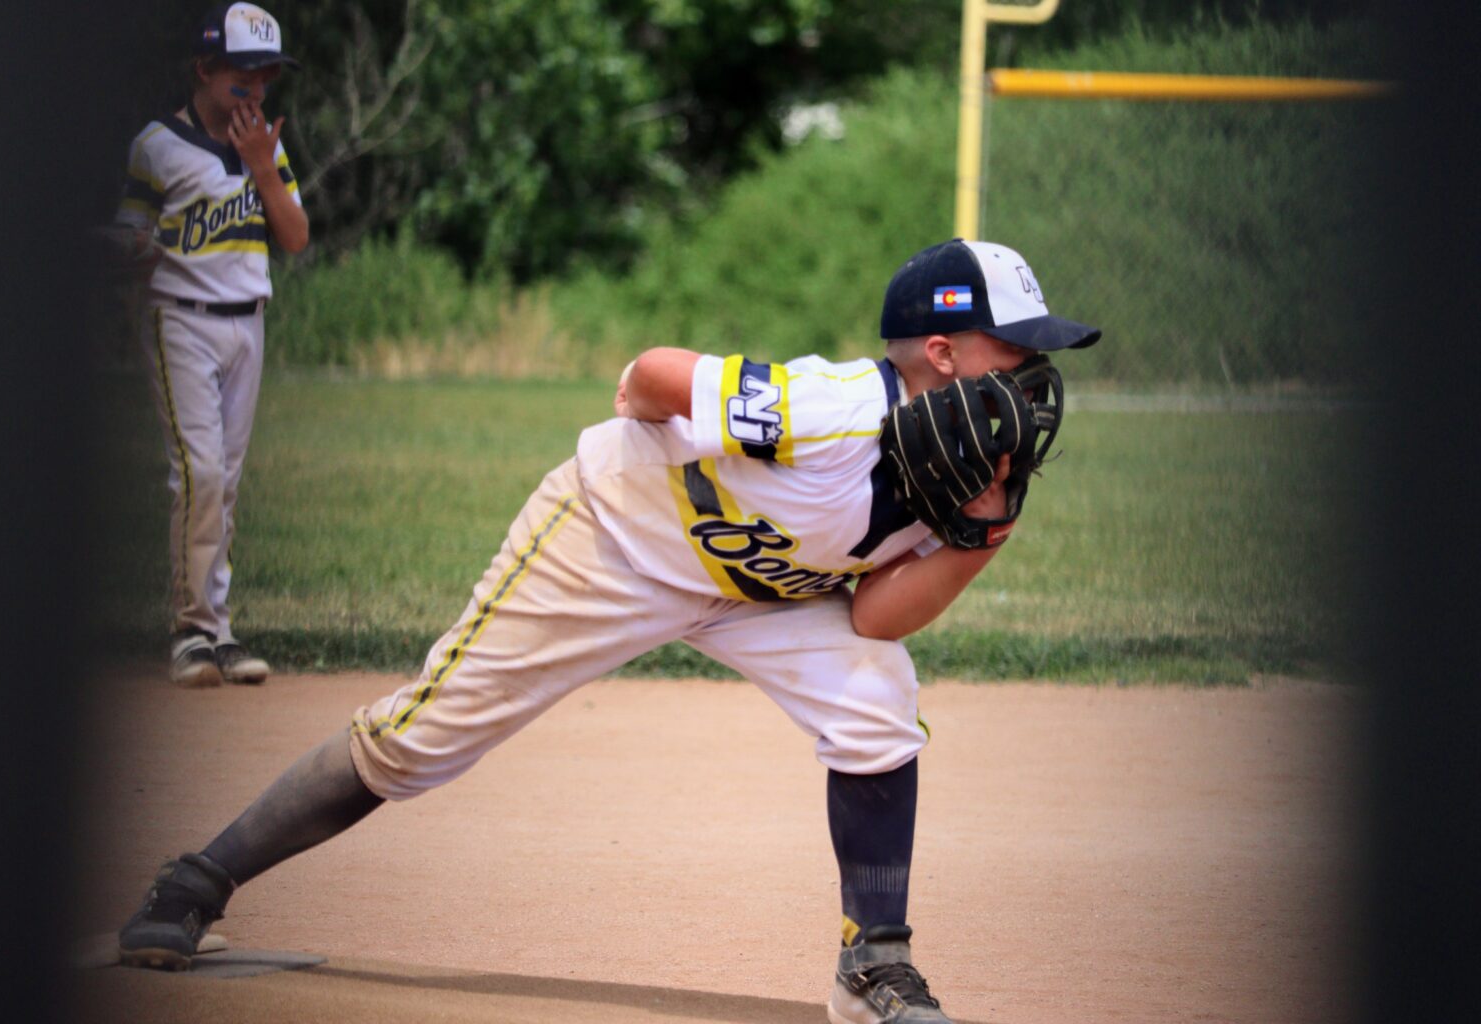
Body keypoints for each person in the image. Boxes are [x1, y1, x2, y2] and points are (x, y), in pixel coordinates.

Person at [115, 239, 1100, 1024]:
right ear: (942, 353)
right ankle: (197, 878)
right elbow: (664, 372)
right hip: (618, 539)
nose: (1034, 375)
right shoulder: (835, 412)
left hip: (759, 591)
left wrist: (979, 536)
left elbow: (880, 614)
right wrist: (634, 393)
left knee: (877, 696)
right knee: (418, 739)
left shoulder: (973, 480)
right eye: (1017, 352)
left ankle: (873, 964)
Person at [111, 3, 308, 687]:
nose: (254, 92)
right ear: (204, 68)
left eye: (265, 79)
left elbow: (294, 235)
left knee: (225, 481)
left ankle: (218, 632)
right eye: (241, 77)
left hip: (246, 321)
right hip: (180, 319)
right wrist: (129, 247)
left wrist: (260, 165)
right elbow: (129, 230)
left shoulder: (267, 145)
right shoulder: (158, 145)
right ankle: (192, 633)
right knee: (200, 473)